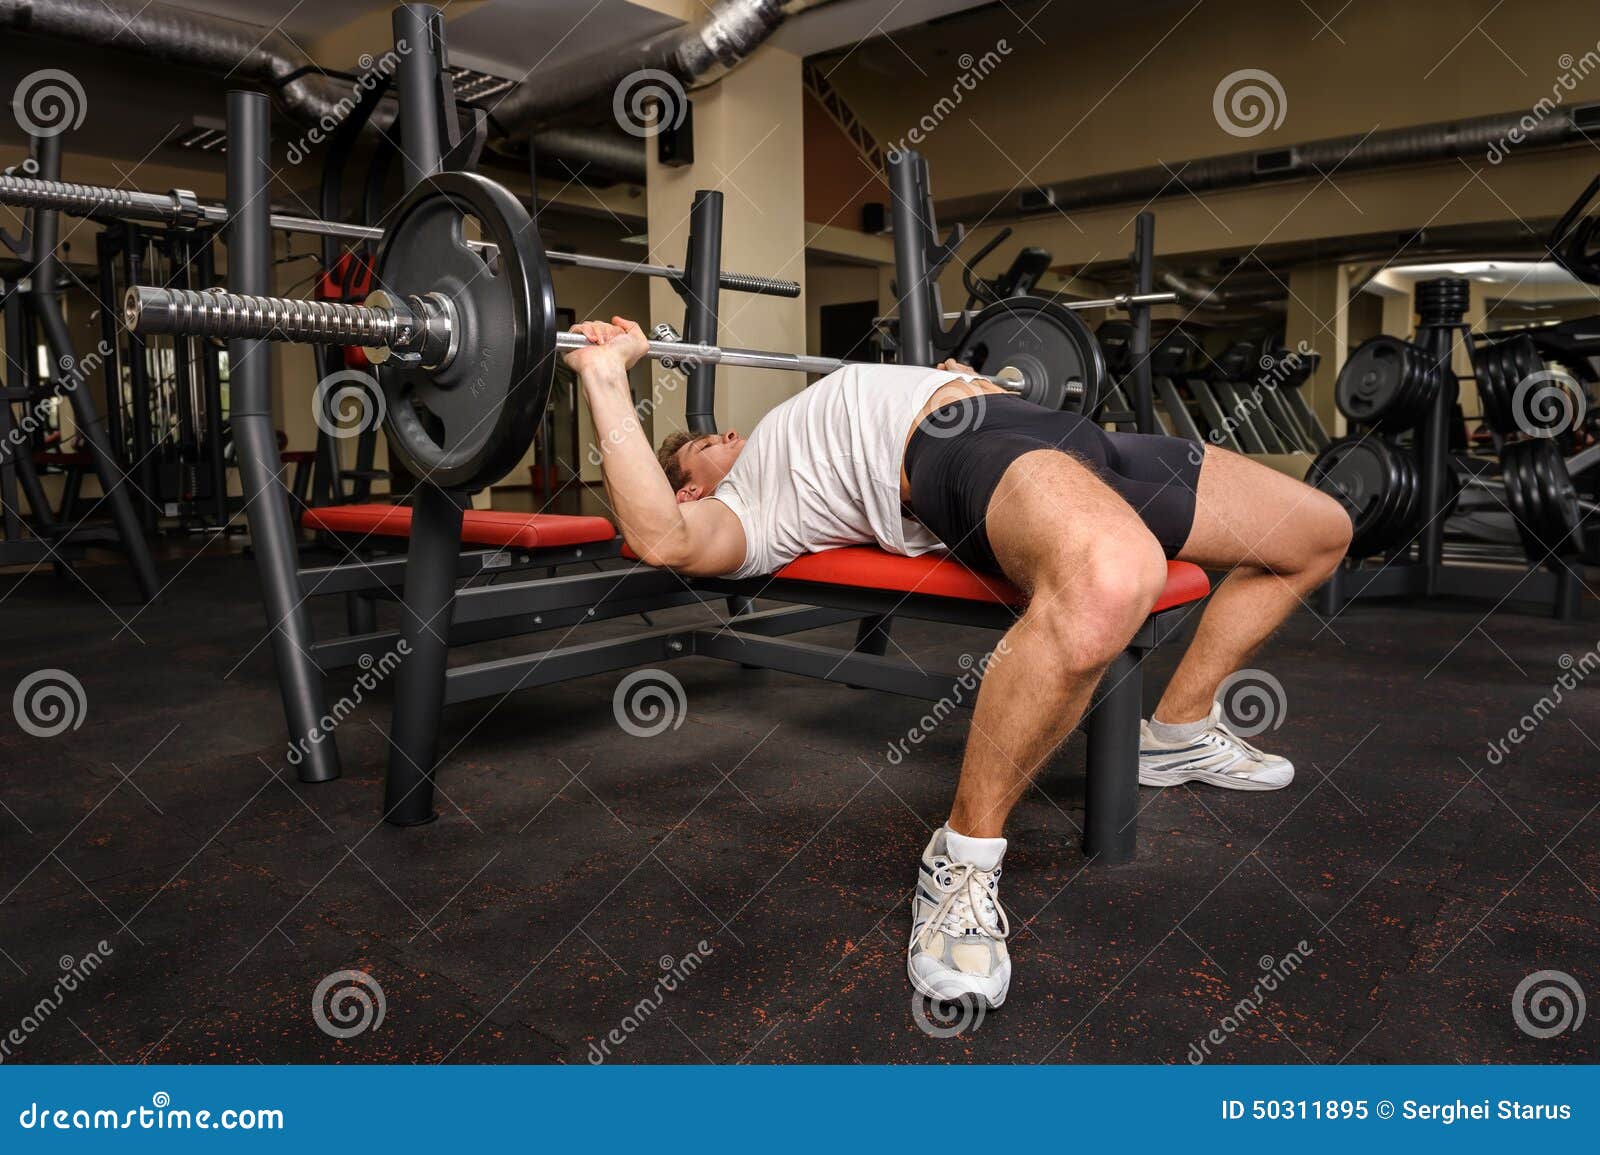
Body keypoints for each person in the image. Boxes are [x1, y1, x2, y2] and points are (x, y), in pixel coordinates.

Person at [563, 316, 1353, 1010]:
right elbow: (661, 537)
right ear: (694, 489)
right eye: (708, 448)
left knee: (1319, 529)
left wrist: (957, 377)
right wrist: (604, 380)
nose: (729, 436)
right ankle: (962, 860)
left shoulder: (769, 443)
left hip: (1063, 427)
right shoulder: (749, 512)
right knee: (1115, 579)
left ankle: (1177, 730)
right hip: (962, 447)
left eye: (721, 432)